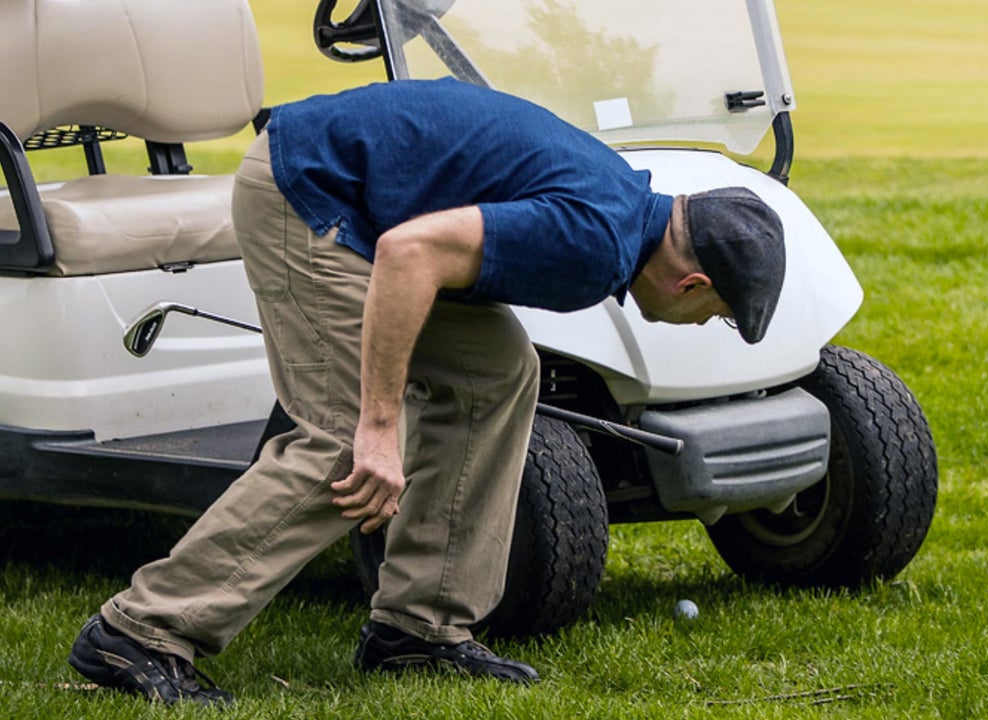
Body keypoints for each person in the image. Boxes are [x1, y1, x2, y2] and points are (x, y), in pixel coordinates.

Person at [67, 78, 785, 705]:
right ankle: (142, 631)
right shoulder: (593, 240)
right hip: (308, 193)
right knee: (344, 443)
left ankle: (420, 628)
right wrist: (380, 426)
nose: (704, 322)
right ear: (692, 282)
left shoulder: (624, 211)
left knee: (496, 372)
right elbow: (409, 254)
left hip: (367, 205)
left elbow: (431, 248)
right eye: (717, 313)